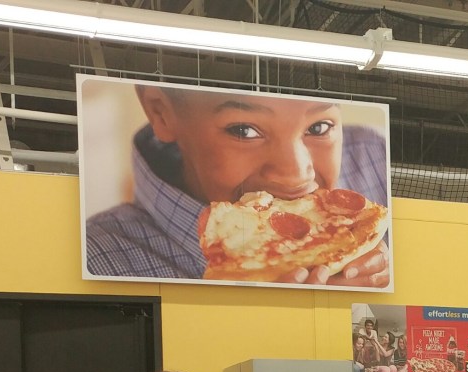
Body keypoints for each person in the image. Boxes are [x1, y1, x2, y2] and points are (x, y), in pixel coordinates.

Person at [86, 84, 390, 287]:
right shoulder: (98, 258)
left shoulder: (375, 158)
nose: (295, 174)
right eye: (244, 130)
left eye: (319, 127)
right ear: (160, 111)